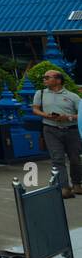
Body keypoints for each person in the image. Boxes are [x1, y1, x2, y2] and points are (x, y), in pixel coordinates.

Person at [31, 69, 82, 198]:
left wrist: (68, 117)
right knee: (57, 159)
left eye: (47, 77)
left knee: (75, 158)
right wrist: (47, 115)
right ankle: (64, 187)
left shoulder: (72, 96)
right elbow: (35, 109)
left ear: (58, 80)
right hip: (50, 129)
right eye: (44, 77)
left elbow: (80, 114)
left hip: (71, 130)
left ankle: (77, 184)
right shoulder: (40, 93)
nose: (44, 79)